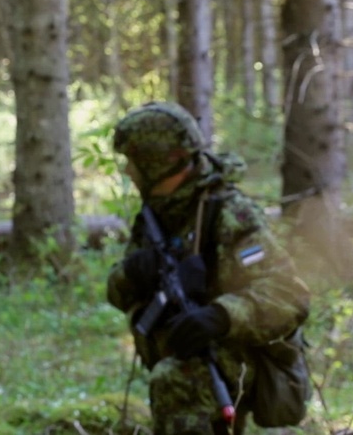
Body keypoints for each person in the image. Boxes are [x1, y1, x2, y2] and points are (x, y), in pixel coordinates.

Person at [106, 101, 311, 435]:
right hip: (187, 350)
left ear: (159, 162)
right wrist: (130, 273)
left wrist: (221, 316)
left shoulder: (230, 215)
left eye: (133, 161)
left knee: (176, 380)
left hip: (244, 355)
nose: (128, 171)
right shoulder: (158, 214)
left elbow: (288, 295)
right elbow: (117, 294)